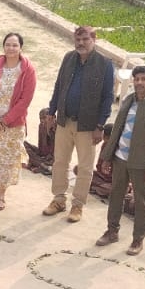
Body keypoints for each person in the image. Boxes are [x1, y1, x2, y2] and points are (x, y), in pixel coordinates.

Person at [95, 65, 145, 256]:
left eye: (144, 79)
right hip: (121, 157)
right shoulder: (128, 101)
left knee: (140, 201)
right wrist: (108, 156)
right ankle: (112, 231)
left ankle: (138, 239)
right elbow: (117, 130)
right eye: (136, 79)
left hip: (142, 163)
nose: (139, 83)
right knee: (116, 195)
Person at [42, 26, 116, 223]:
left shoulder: (105, 65)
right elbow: (59, 86)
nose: (81, 43)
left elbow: (108, 97)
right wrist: (51, 112)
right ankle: (58, 199)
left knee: (84, 167)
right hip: (65, 120)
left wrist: (100, 125)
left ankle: (77, 205)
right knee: (60, 162)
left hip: (88, 125)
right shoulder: (69, 58)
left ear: (94, 39)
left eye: (85, 39)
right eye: (78, 40)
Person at [0, 33, 36, 210]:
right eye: (8, 45)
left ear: (20, 48)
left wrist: (5, 120)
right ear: (3, 47)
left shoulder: (28, 70)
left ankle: (1, 196)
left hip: (12, 125)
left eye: (15, 45)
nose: (11, 48)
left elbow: (25, 100)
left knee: (6, 160)